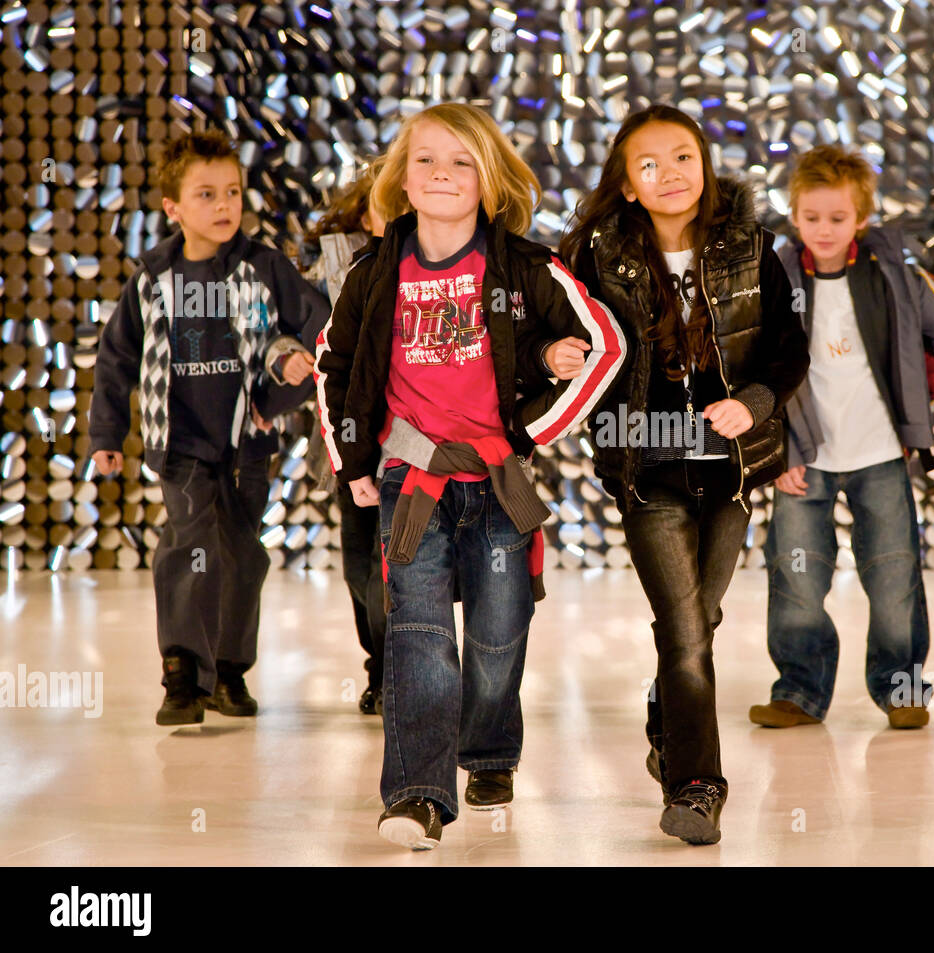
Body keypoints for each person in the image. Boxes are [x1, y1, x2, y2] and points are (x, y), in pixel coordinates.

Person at [314, 102, 625, 849]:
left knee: (496, 632)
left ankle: (488, 749)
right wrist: (353, 463)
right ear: (402, 179)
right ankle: (417, 795)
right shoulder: (373, 272)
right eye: (426, 160)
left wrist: (531, 425)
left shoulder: (526, 266)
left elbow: (603, 345)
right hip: (409, 479)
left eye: (462, 161)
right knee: (417, 634)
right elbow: (336, 364)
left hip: (496, 481)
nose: (443, 174)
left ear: (491, 181)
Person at [560, 104, 809, 845]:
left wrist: (756, 404)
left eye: (682, 158)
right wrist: (561, 357)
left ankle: (666, 717)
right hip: (649, 473)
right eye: (648, 164)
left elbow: (787, 349)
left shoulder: (753, 248)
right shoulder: (597, 257)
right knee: (685, 630)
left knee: (699, 624)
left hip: (731, 475)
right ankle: (698, 788)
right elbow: (562, 333)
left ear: (704, 167)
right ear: (627, 185)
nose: (669, 174)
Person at [88, 129, 329, 725]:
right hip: (180, 441)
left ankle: (228, 671)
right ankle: (182, 674)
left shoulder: (264, 267)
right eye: (206, 195)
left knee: (243, 555)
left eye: (232, 193)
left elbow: (319, 326)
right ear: (172, 209)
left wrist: (290, 379)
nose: (224, 206)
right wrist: (105, 435)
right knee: (191, 543)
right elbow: (117, 359)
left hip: (246, 440)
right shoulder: (152, 279)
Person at [751, 144, 934, 732]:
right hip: (803, 459)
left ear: (862, 219)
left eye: (838, 218)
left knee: (894, 576)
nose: (824, 229)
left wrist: (915, 418)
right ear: (794, 216)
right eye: (812, 217)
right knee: (797, 577)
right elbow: (749, 372)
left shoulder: (895, 275)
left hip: (881, 455)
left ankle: (901, 690)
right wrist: (774, 451)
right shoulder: (770, 281)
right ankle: (799, 690)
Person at [299, 161, 389, 716]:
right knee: (361, 565)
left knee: (402, 564)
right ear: (362, 209)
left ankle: (405, 669)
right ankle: (380, 664)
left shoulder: (440, 257)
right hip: (350, 438)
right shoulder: (332, 264)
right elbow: (295, 328)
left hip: (416, 436)